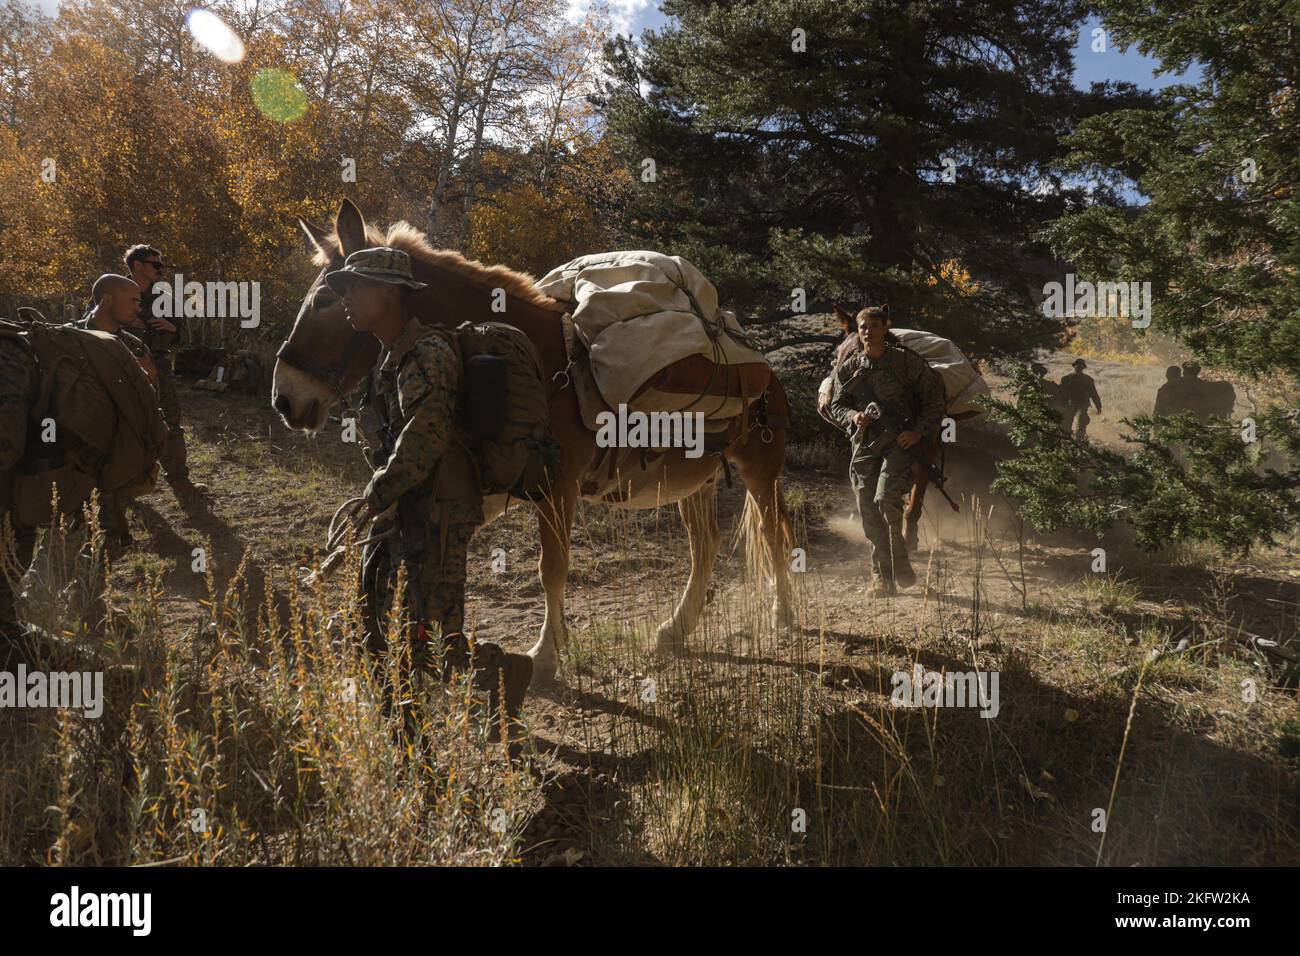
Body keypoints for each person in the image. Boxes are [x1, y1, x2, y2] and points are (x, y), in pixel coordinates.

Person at [325, 246, 532, 722]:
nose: (346, 298)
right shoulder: (391, 356)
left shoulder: (428, 353)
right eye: (342, 289)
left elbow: (426, 435)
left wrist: (377, 492)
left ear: (392, 293)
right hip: (404, 509)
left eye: (356, 286)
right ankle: (407, 743)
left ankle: (503, 675)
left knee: (429, 642)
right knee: (378, 630)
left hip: (435, 513)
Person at [828, 305, 945, 596]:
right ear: (858, 331)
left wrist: (918, 432)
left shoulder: (906, 362)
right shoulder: (849, 368)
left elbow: (934, 398)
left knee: (884, 500)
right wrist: (852, 416)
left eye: (874, 326)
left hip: (899, 446)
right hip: (865, 447)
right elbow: (837, 405)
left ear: (884, 328)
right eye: (863, 327)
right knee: (868, 510)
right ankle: (886, 575)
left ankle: (892, 568)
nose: (868, 332)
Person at [79, 275, 159, 550]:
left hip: (116, 458)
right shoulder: (69, 339)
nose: (139, 307)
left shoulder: (135, 347)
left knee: (109, 546)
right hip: (71, 459)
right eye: (133, 300)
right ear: (107, 300)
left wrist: (149, 377)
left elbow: (148, 406)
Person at [125, 244, 207, 506]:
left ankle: (180, 481)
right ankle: (128, 484)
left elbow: (181, 336)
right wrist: (123, 322)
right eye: (156, 264)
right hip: (122, 369)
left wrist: (172, 327)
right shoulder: (114, 291)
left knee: (170, 423)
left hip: (159, 368)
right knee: (127, 426)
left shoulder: (164, 297)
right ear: (138, 265)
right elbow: (92, 327)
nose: (161, 269)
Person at [1059, 358, 1102, 442]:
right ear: (1074, 366)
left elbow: (1093, 394)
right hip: (1069, 404)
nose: (1079, 367)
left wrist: (1098, 406)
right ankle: (1066, 441)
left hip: (1082, 404)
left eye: (1081, 365)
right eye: (1077, 365)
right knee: (1066, 424)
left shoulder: (1088, 380)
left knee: (1081, 420)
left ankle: (1079, 441)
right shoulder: (1066, 379)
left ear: (1083, 367)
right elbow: (1061, 393)